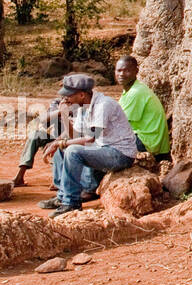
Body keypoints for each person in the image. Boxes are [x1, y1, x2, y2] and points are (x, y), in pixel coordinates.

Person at [39, 73, 138, 216]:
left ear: (81, 95)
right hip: (103, 148)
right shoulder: (83, 107)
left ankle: (71, 203)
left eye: (69, 95)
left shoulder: (103, 105)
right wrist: (64, 116)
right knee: (64, 148)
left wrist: (61, 143)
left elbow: (90, 138)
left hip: (120, 153)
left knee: (72, 151)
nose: (65, 98)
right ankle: (62, 197)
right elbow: (75, 136)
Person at [115, 56, 171, 161]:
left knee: (97, 148)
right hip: (144, 138)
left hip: (148, 143)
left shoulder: (136, 92)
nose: (121, 74)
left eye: (127, 70)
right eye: (119, 70)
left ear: (136, 71)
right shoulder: (129, 90)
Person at [12, 96, 70, 187]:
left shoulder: (80, 105)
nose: (65, 95)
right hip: (56, 139)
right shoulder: (57, 103)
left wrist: (57, 142)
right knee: (35, 135)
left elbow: (74, 132)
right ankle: (19, 176)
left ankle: (60, 179)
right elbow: (42, 120)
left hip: (72, 140)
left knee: (65, 147)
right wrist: (60, 111)